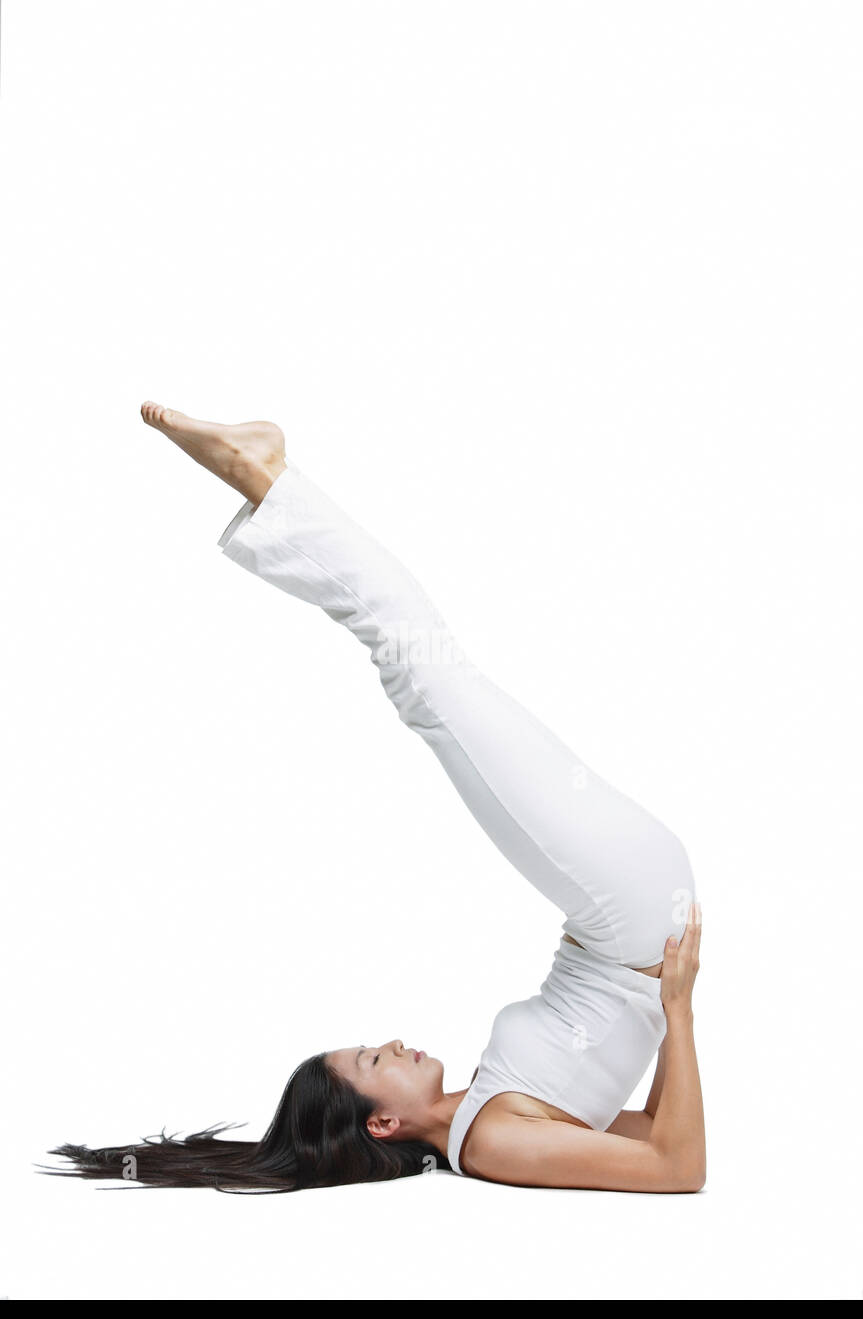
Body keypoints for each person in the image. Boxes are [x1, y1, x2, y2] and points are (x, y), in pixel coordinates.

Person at [47, 403, 704, 1195]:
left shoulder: (484, 1110)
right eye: (373, 1060)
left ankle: (270, 484)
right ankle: (265, 477)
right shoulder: (491, 1141)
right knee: (424, 675)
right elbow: (675, 1166)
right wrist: (676, 1011)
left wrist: (671, 1003)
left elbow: (648, 1130)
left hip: (621, 919)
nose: (390, 1043)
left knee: (427, 677)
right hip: (626, 915)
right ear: (382, 1122)